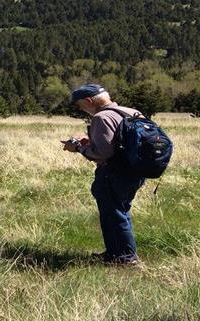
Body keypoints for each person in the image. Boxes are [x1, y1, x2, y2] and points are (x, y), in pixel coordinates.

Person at [61, 83, 146, 266]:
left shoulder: (101, 117)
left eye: (81, 105)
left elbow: (103, 153)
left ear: (89, 101)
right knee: (120, 212)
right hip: (134, 171)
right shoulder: (131, 111)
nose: (81, 109)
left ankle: (126, 258)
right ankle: (115, 253)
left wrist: (77, 147)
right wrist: (91, 143)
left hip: (113, 173)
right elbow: (118, 144)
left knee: (113, 214)